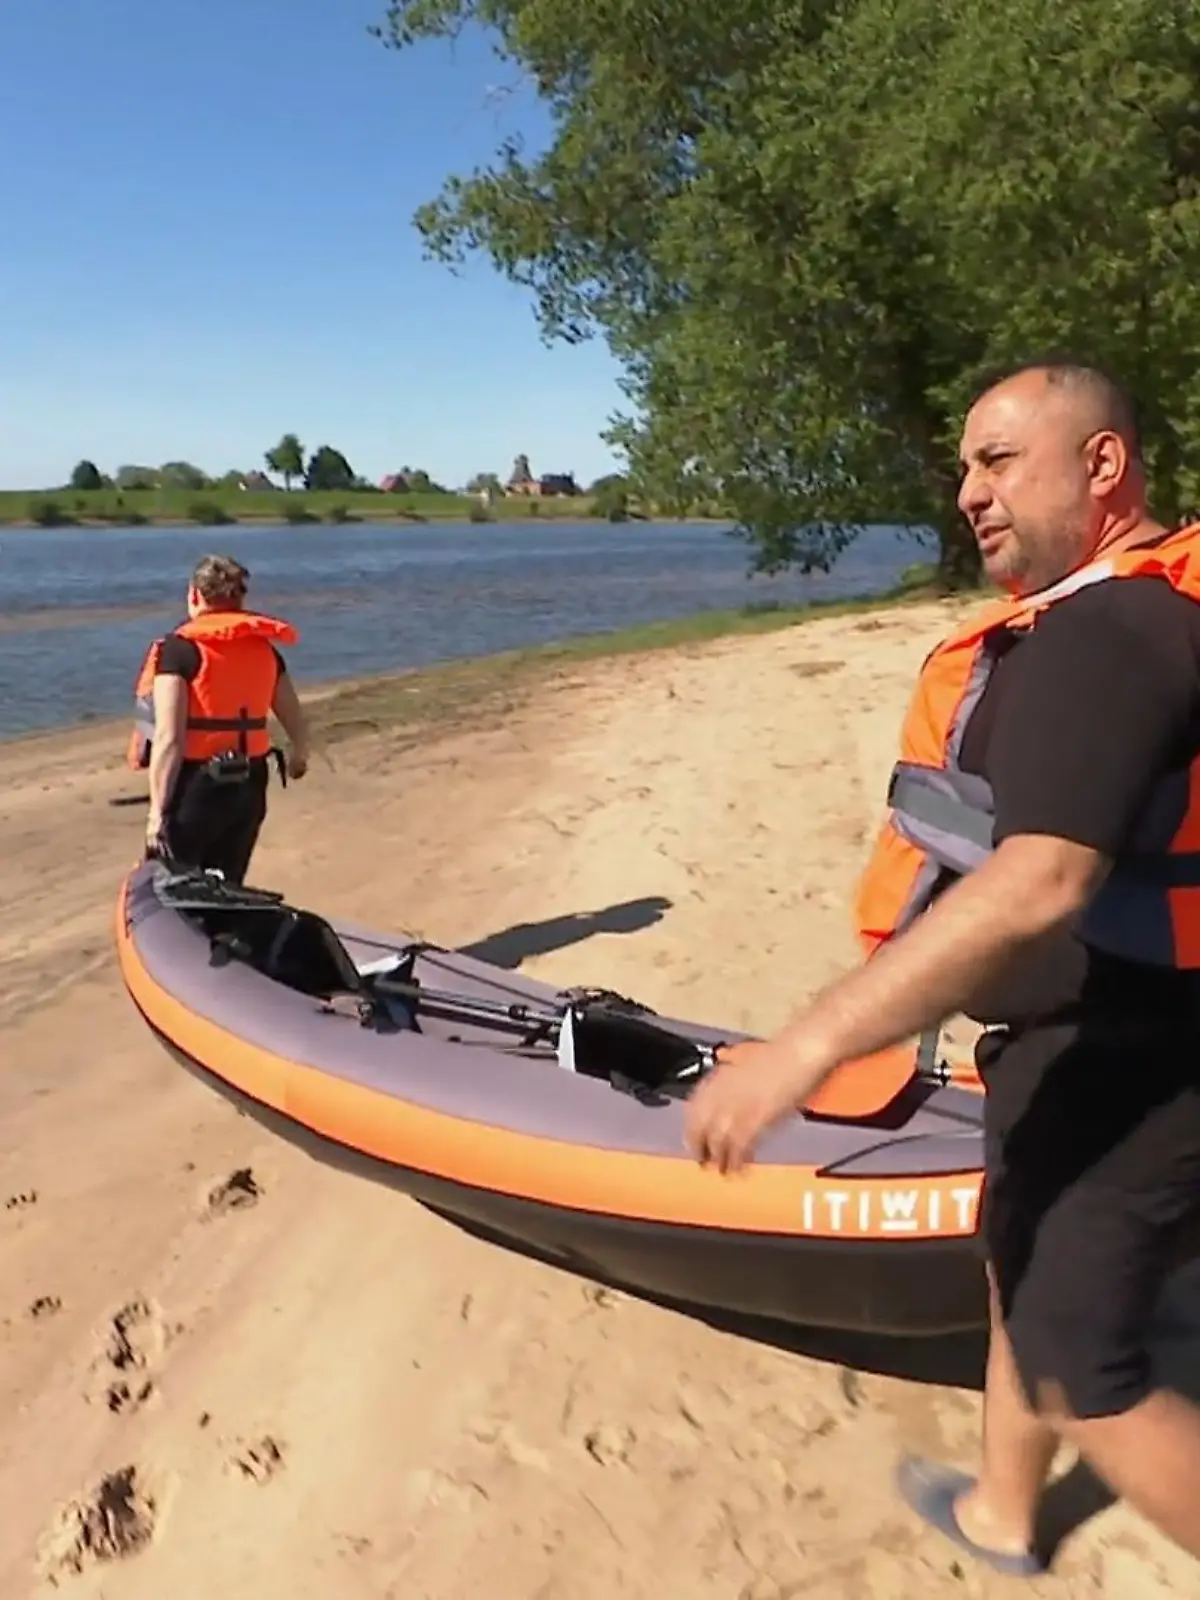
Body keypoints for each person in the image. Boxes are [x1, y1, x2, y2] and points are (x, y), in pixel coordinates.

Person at [683, 358, 1200, 1574]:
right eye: (966, 464)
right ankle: (1003, 1512)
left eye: (1000, 459)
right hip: (1089, 1049)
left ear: (1104, 465)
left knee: (1078, 1363)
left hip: (1136, 1061)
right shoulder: (1115, 621)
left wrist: (803, 1050)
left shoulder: (1111, 633)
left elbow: (1042, 878)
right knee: (1022, 1266)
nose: (968, 489)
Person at [128, 553, 311, 884]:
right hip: (249, 785)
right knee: (228, 885)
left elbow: (169, 738)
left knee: (172, 886)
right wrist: (300, 754)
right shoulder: (265, 650)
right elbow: (294, 717)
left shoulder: (179, 651)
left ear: (195, 595)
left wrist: (156, 812)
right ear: (239, 597)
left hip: (196, 786)